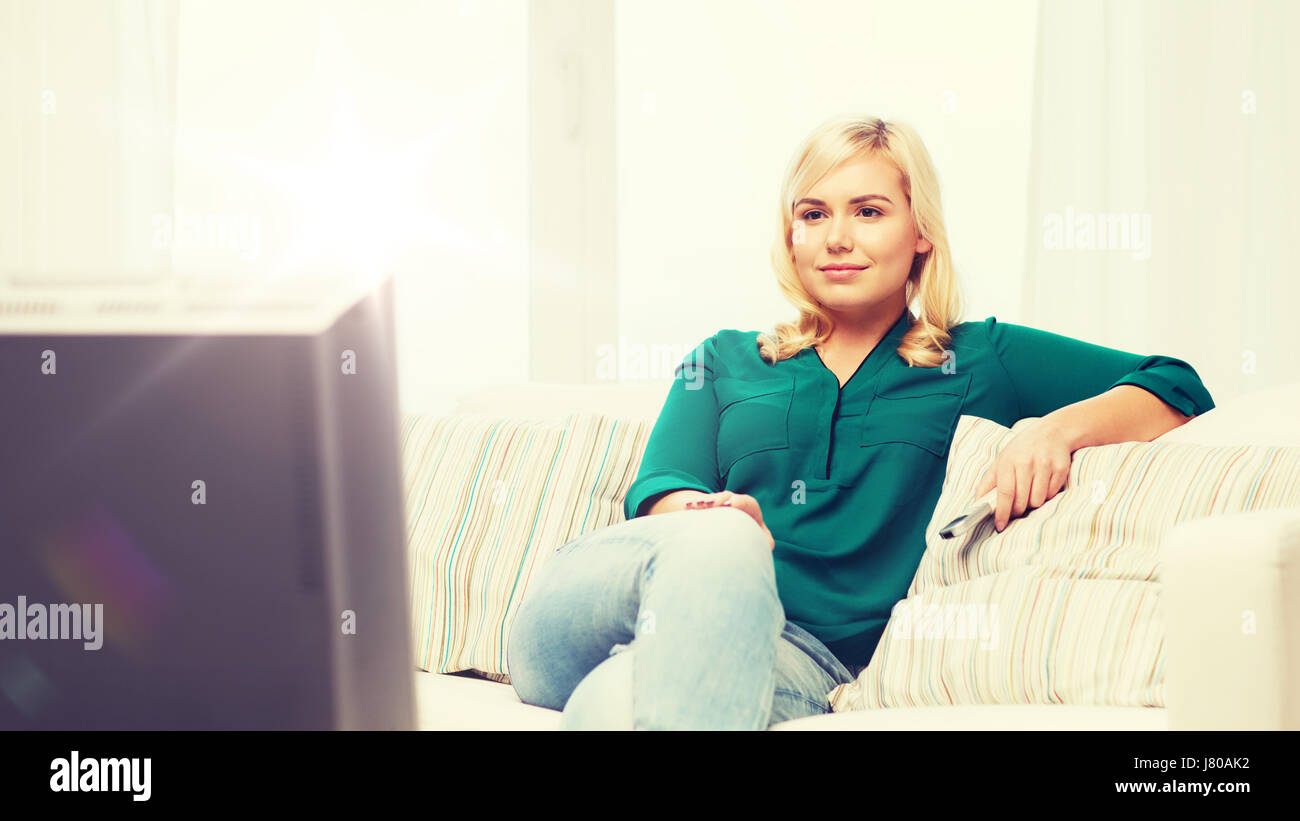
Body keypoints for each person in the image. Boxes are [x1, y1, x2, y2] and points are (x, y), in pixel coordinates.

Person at [506, 115, 1215, 730]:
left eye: (868, 211)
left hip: (797, 651)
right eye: (814, 214)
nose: (837, 237)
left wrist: (1056, 429)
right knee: (722, 541)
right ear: (792, 235)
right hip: (596, 608)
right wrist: (712, 515)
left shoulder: (978, 357)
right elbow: (661, 489)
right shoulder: (723, 359)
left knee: (614, 705)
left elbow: (1175, 383)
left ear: (922, 234)